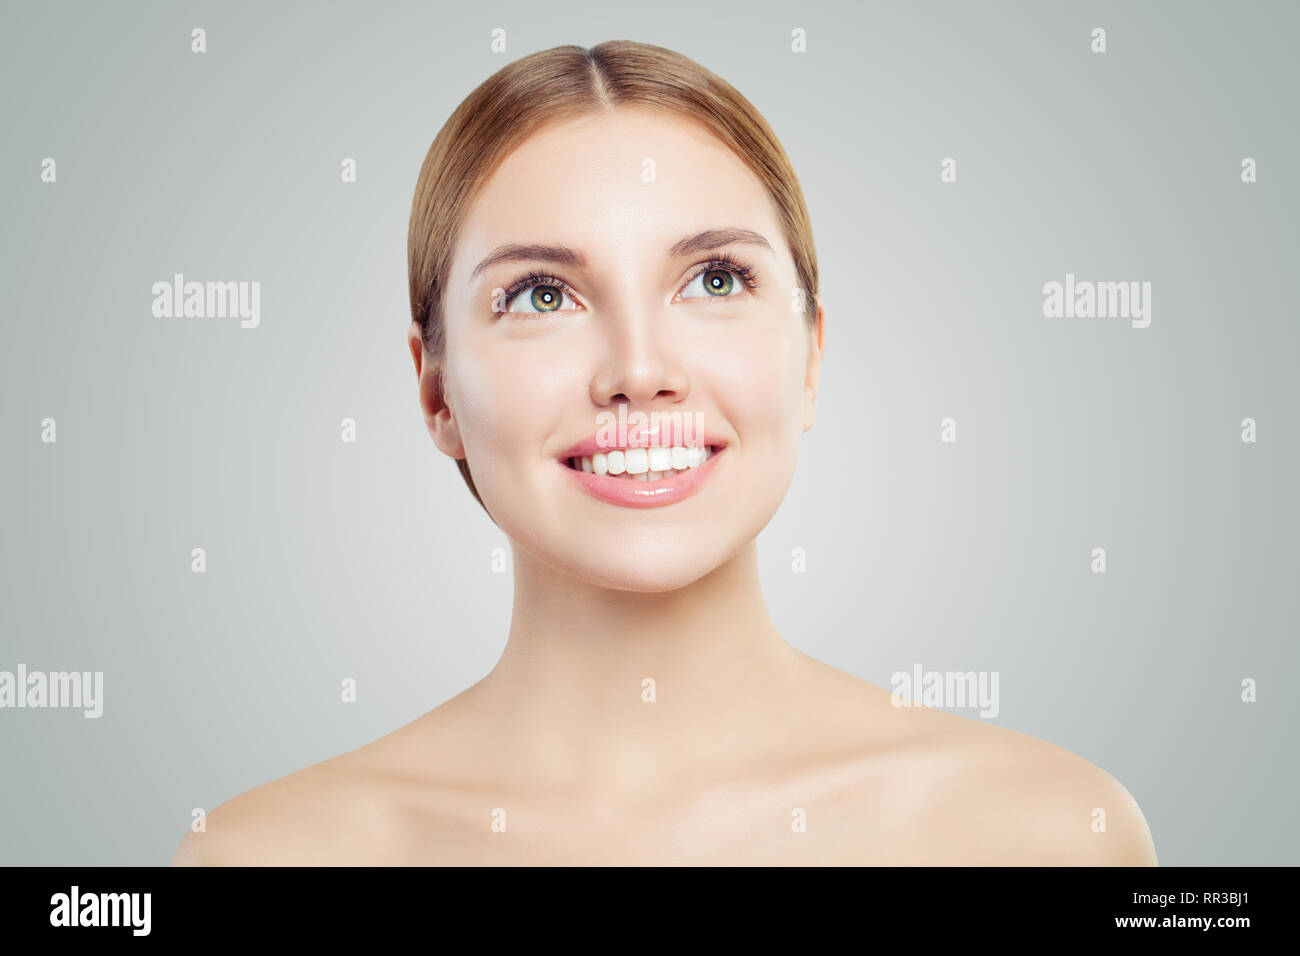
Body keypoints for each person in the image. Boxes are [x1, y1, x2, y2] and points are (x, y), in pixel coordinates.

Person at [172, 40, 1157, 865]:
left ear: (810, 355)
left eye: (716, 278)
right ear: (436, 392)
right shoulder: (264, 856)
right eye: (541, 296)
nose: (639, 370)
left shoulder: (1046, 833)